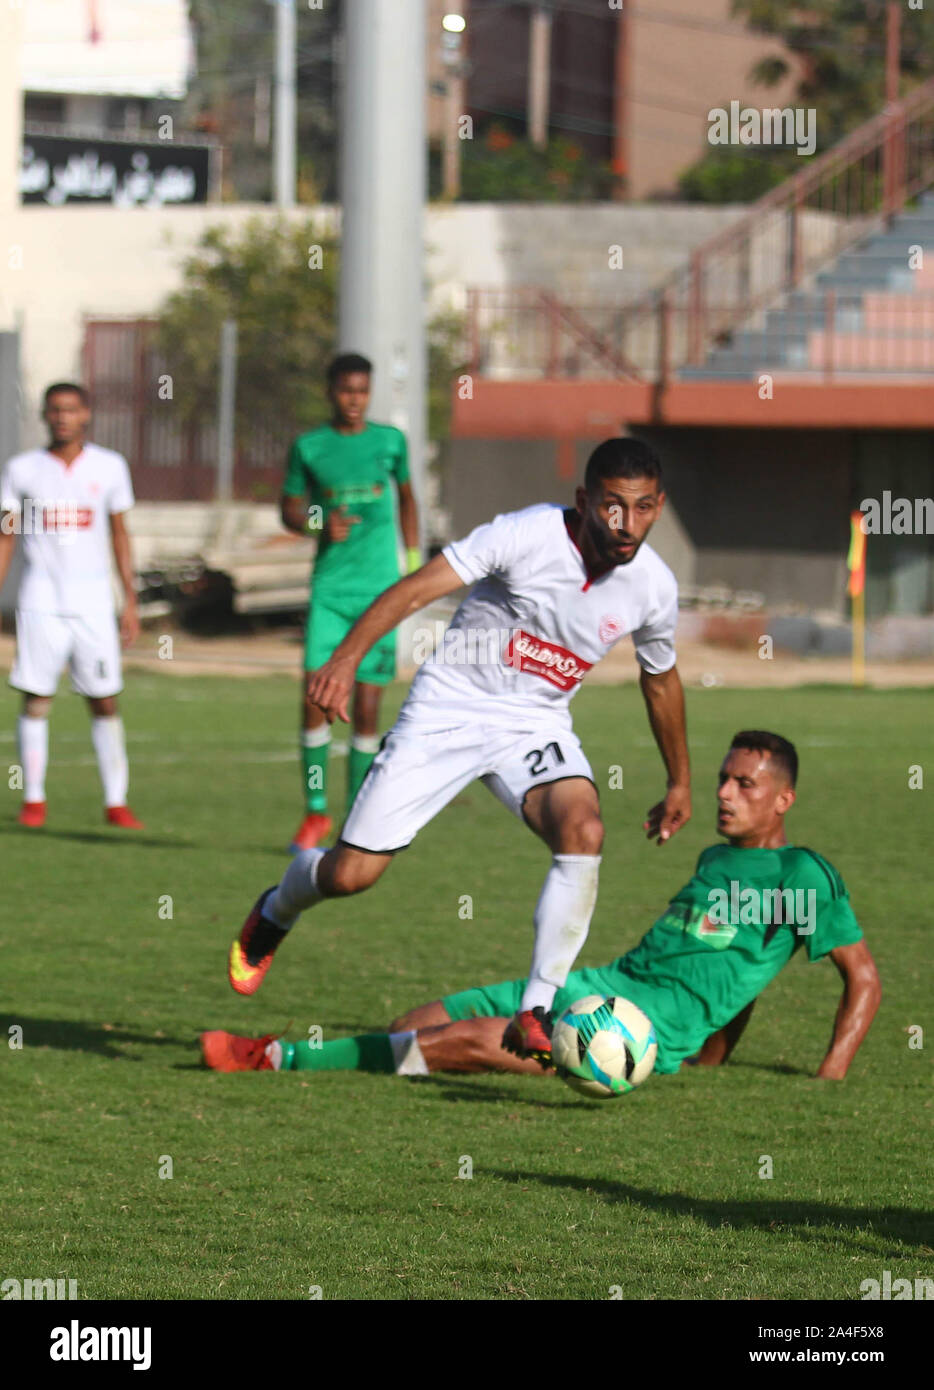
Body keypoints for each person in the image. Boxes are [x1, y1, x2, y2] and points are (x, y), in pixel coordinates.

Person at [227, 437, 691, 1061]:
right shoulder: (527, 534)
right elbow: (417, 588)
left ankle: (537, 1008)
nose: (625, 523)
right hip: (447, 710)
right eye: (612, 506)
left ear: (659, 505)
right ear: (585, 501)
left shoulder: (654, 586)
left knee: (582, 829)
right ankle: (279, 905)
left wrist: (679, 780)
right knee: (349, 875)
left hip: (534, 724)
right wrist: (346, 658)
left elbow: (659, 678)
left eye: (641, 508)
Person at [203, 731, 880, 1081]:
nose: (726, 794)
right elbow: (741, 967)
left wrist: (827, 1078)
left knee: (453, 1045)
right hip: (602, 981)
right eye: (724, 779)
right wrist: (715, 1059)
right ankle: (360, 1055)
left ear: (784, 800)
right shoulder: (717, 859)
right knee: (414, 1024)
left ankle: (277, 1058)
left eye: (746, 785)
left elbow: (863, 978)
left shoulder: (804, 876)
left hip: (630, 1027)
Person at [281, 353, 420, 852]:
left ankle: (359, 817)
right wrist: (319, 519)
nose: (355, 400)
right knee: (317, 698)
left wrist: (411, 562)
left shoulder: (390, 442)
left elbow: (407, 499)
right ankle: (315, 812)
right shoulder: (310, 446)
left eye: (362, 390)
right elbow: (290, 508)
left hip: (380, 593)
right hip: (331, 593)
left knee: (365, 705)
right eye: (346, 391)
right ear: (331, 392)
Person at [0, 382, 142, 829]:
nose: (63, 417)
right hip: (40, 600)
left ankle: (116, 801)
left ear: (86, 415)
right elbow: (6, 532)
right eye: (55, 410)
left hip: (94, 604)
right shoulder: (22, 469)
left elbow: (120, 533)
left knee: (104, 700)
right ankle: (34, 800)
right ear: (44, 415)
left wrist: (130, 599)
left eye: (71, 410)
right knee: (36, 697)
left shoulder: (110, 466)